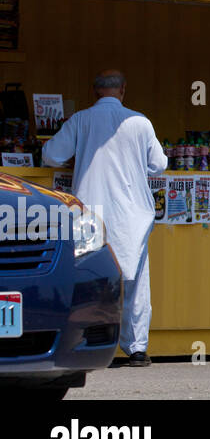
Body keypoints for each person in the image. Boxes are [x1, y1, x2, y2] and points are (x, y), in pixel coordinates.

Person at [41, 70, 167, 366]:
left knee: (90, 279)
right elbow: (158, 164)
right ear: (123, 90)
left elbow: (50, 155)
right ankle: (136, 349)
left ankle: (89, 342)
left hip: (90, 211)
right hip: (132, 213)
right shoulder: (140, 122)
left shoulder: (82, 120)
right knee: (135, 282)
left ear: (95, 92)